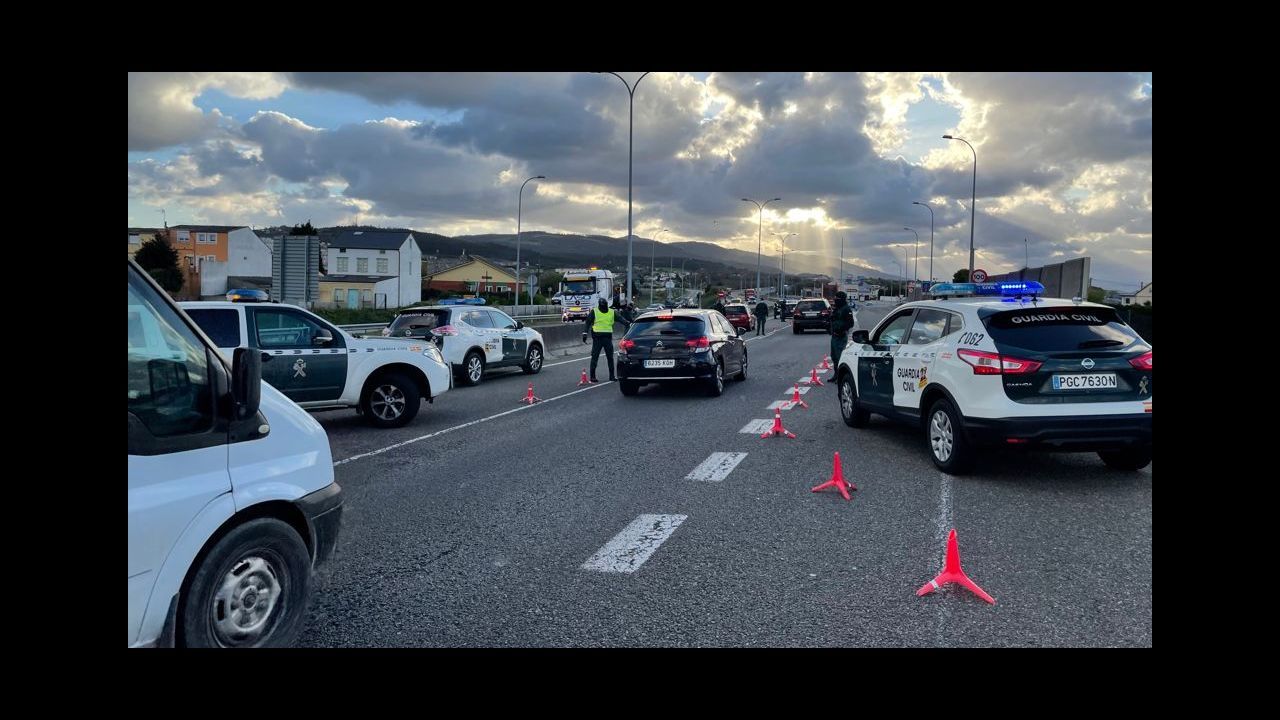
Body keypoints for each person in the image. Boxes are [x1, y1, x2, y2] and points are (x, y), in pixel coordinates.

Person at [582, 297, 629, 382]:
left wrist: (627, 323)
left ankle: (612, 376)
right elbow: (588, 322)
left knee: (610, 357)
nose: (603, 307)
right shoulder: (594, 311)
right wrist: (585, 333)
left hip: (607, 338)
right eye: (602, 306)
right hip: (597, 338)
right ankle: (593, 376)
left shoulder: (612, 312)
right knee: (595, 357)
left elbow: (620, 319)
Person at [827, 291, 856, 381]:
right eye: (835, 298)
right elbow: (833, 319)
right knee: (834, 356)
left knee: (839, 357)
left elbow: (850, 323)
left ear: (842, 299)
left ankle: (840, 377)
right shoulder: (837, 308)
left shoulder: (846, 309)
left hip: (841, 336)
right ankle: (836, 375)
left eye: (837, 299)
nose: (835, 300)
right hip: (834, 335)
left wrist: (841, 329)